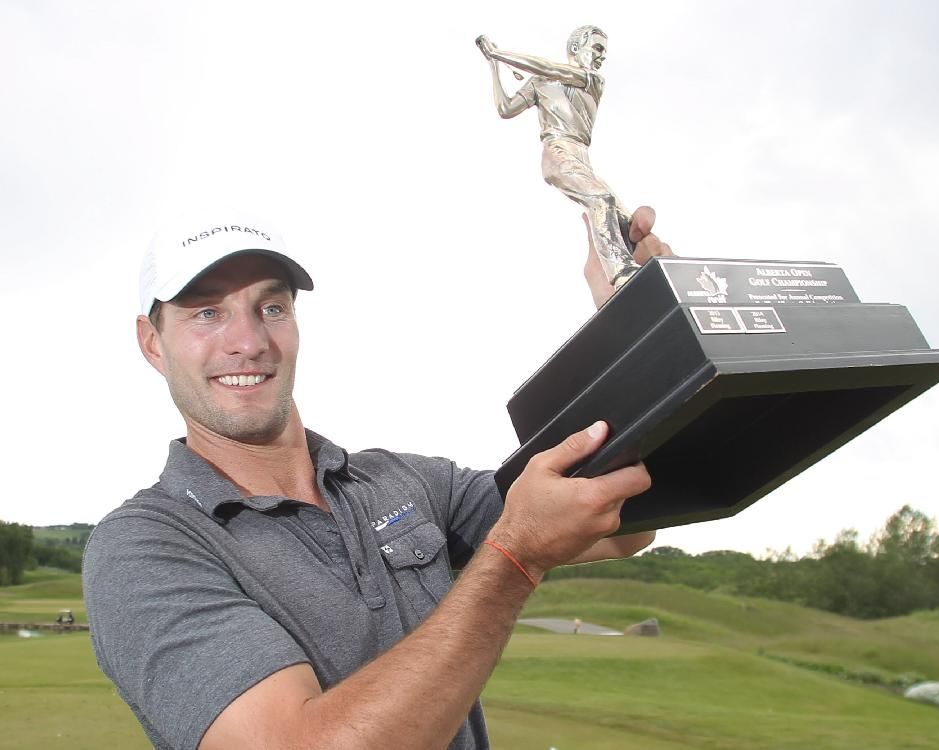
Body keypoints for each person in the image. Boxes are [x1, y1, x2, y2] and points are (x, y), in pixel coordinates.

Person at [83, 210, 672, 749]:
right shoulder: (142, 548)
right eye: (207, 313)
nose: (249, 342)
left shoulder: (401, 480)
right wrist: (514, 556)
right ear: (152, 343)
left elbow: (620, 519)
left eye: (272, 308)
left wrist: (639, 324)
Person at [477, 27, 669, 290]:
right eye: (597, 48)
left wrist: (498, 54)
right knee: (601, 199)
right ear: (576, 48)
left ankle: (650, 274)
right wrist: (494, 66)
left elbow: (549, 68)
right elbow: (506, 108)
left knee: (622, 219)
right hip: (558, 151)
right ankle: (623, 272)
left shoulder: (592, 80)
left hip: (582, 157)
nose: (602, 57)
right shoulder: (540, 83)